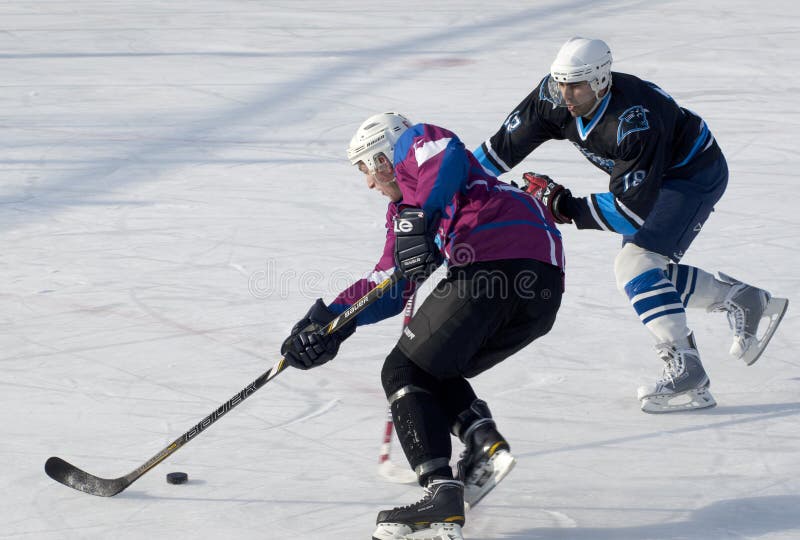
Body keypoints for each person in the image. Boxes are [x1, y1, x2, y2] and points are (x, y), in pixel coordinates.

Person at [279, 112, 565, 540]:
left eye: (366, 168)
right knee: (433, 367)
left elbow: (445, 158)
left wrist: (423, 217)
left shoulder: (414, 143)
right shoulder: (406, 211)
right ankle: (483, 444)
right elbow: (388, 285)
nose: (369, 184)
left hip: (493, 261)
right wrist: (328, 323)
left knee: (402, 371)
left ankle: (440, 494)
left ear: (383, 154)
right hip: (541, 292)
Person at [474, 37, 788, 413]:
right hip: (656, 177)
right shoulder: (553, 96)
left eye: (576, 85)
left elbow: (627, 211)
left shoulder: (635, 121)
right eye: (560, 82)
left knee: (636, 266)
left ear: (602, 81)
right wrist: (454, 190)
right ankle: (741, 298)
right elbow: (497, 151)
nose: (565, 94)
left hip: (691, 173)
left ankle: (688, 367)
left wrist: (562, 205)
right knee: (644, 271)